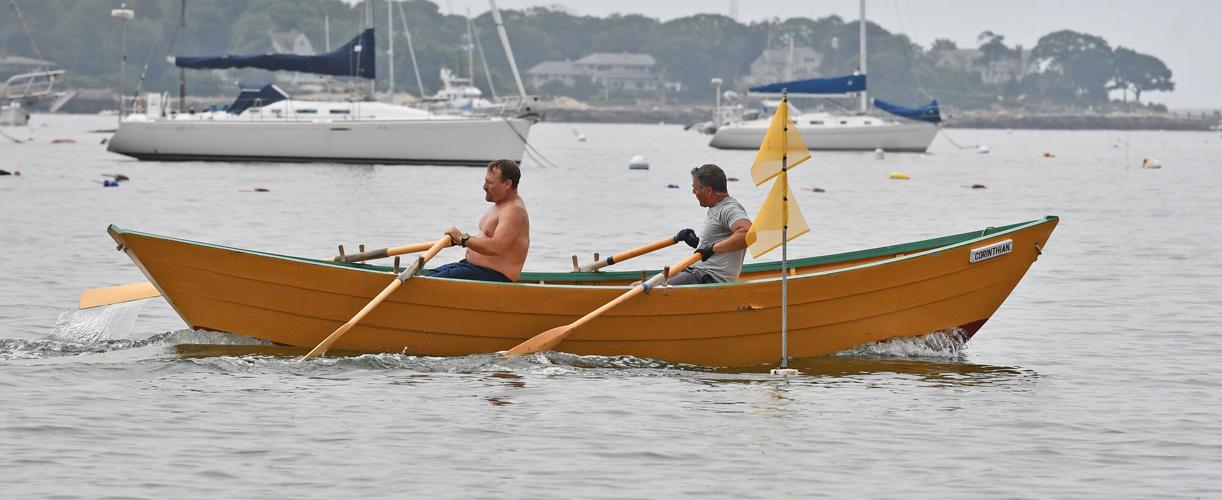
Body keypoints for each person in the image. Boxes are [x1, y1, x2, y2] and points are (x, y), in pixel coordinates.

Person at [427, 159, 530, 282]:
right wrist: (458, 240)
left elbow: (496, 247)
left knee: (427, 282)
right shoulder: (500, 206)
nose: (484, 187)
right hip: (472, 268)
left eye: (489, 182)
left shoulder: (514, 211)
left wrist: (463, 238)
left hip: (493, 276)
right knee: (426, 276)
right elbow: (485, 239)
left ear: (507, 184)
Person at [668, 164, 751, 285]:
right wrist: (697, 243)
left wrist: (713, 248)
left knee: (652, 289)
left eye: (695, 188)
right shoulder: (716, 207)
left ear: (708, 190)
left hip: (708, 277)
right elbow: (716, 246)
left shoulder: (729, 208)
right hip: (696, 272)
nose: (693, 192)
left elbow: (747, 233)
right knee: (641, 283)